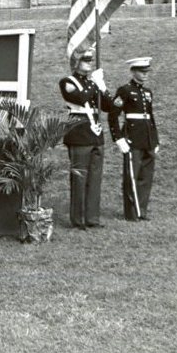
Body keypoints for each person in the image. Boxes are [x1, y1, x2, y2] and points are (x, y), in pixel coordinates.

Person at [58, 50, 113, 230]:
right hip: (79, 133)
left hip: (95, 134)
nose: (89, 62)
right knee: (79, 178)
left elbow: (108, 107)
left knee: (95, 178)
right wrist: (94, 85)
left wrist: (102, 86)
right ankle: (78, 219)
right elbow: (80, 98)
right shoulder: (67, 82)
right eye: (85, 60)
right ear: (76, 62)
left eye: (90, 60)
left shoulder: (93, 83)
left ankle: (92, 218)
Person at [108, 57, 159, 222]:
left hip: (147, 139)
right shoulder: (125, 90)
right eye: (141, 71)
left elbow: (150, 117)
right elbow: (113, 116)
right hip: (132, 139)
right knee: (132, 176)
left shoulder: (147, 92)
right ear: (133, 71)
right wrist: (119, 138)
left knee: (146, 176)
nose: (144, 75)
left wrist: (155, 140)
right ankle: (131, 213)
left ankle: (141, 211)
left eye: (146, 72)